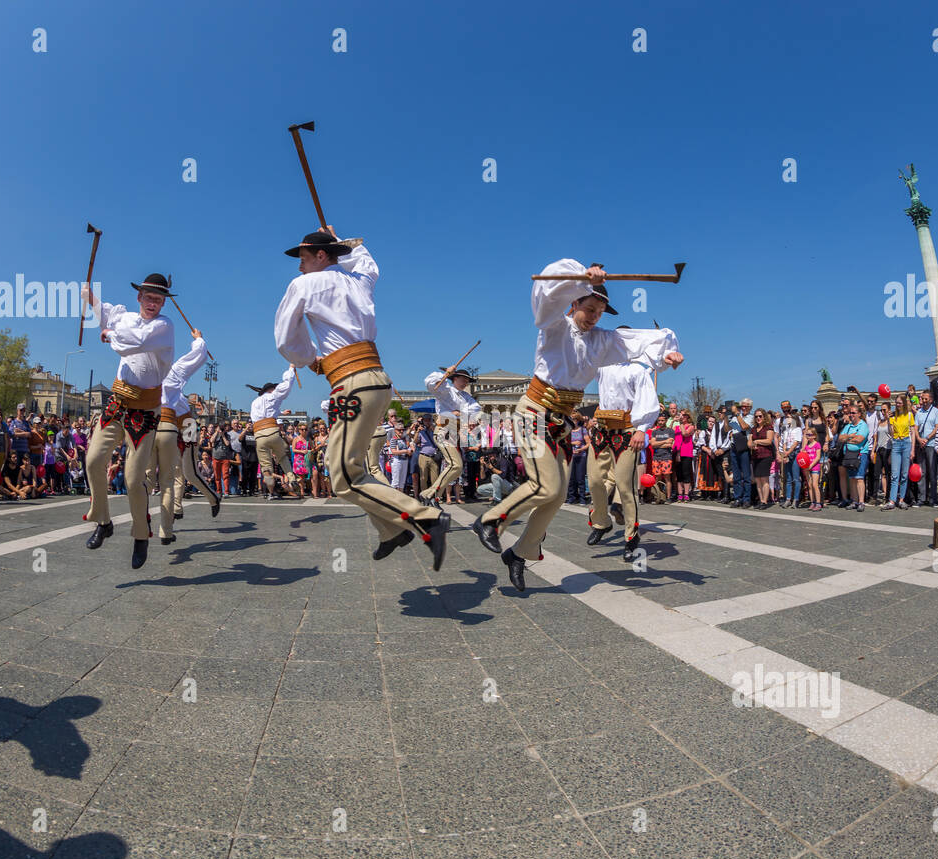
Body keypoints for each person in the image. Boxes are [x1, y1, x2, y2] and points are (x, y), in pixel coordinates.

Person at [471, 261, 682, 588]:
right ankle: (488, 521)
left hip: (560, 423)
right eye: (589, 307)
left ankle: (520, 553)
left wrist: (667, 354)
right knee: (546, 487)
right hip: (533, 413)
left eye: (599, 311)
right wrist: (579, 275)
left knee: (554, 497)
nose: (594, 315)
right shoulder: (554, 325)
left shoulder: (603, 341)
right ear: (574, 303)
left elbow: (640, 344)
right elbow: (546, 301)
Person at [275, 226, 447, 565]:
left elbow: (285, 339)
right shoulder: (360, 282)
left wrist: (311, 360)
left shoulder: (304, 285)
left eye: (305, 258)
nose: (299, 266)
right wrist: (344, 243)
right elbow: (368, 264)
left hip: (351, 384)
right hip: (378, 382)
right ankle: (391, 531)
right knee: (353, 466)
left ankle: (423, 517)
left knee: (340, 476)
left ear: (322, 256)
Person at [82, 272, 176, 569]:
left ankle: (140, 535)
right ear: (139, 297)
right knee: (94, 461)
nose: (153, 303)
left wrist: (108, 334)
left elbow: (131, 344)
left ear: (163, 303)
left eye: (158, 299)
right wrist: (91, 298)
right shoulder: (125, 317)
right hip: (117, 402)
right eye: (148, 297)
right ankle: (104, 521)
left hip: (144, 411)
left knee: (135, 480)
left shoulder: (164, 327)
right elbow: (107, 312)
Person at [584, 354, 658, 550]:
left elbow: (649, 401)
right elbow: (584, 361)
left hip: (626, 430)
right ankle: (601, 522)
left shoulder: (637, 370)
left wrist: (641, 430)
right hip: (602, 429)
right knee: (594, 480)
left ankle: (631, 537)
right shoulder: (602, 366)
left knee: (625, 486)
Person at [155, 328, 218, 546]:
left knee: (188, 471)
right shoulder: (145, 377)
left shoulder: (171, 373)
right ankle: (176, 510)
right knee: (172, 473)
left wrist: (199, 339)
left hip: (186, 424)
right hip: (166, 425)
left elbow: (197, 355)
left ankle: (213, 497)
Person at [423, 366, 481, 507]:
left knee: (456, 468)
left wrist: (459, 413)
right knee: (456, 465)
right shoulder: (446, 391)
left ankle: (433, 496)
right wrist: (444, 374)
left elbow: (475, 410)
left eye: (467, 381)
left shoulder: (467, 397)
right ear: (454, 378)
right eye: (463, 379)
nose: (465, 382)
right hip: (444, 432)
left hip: (453, 435)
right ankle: (430, 494)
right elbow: (430, 384)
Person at [251, 367, 298, 499]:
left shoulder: (254, 402)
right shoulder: (273, 396)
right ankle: (291, 477)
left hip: (259, 434)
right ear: (270, 390)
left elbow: (265, 415)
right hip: (272, 431)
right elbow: (287, 385)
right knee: (282, 456)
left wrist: (281, 412)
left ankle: (271, 493)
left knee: (266, 468)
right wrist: (291, 369)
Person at [837, 404, 869, 511]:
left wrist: (847, 438)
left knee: (859, 478)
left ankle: (861, 502)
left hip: (860, 454)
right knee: (852, 479)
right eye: (850, 413)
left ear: (859, 414)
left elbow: (860, 439)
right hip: (849, 455)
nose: (851, 415)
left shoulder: (863, 425)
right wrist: (851, 436)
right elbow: (840, 438)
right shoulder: (848, 426)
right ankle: (854, 501)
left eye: (854, 413)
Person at [749, 409, 775, 508]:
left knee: (764, 479)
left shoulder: (769, 427)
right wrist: (751, 445)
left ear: (764, 417)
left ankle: (765, 501)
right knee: (758, 480)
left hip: (765, 456)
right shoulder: (753, 429)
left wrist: (757, 442)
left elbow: (769, 441)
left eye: (760, 416)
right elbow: (749, 441)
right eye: (756, 417)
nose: (758, 418)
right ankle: (761, 500)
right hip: (755, 456)